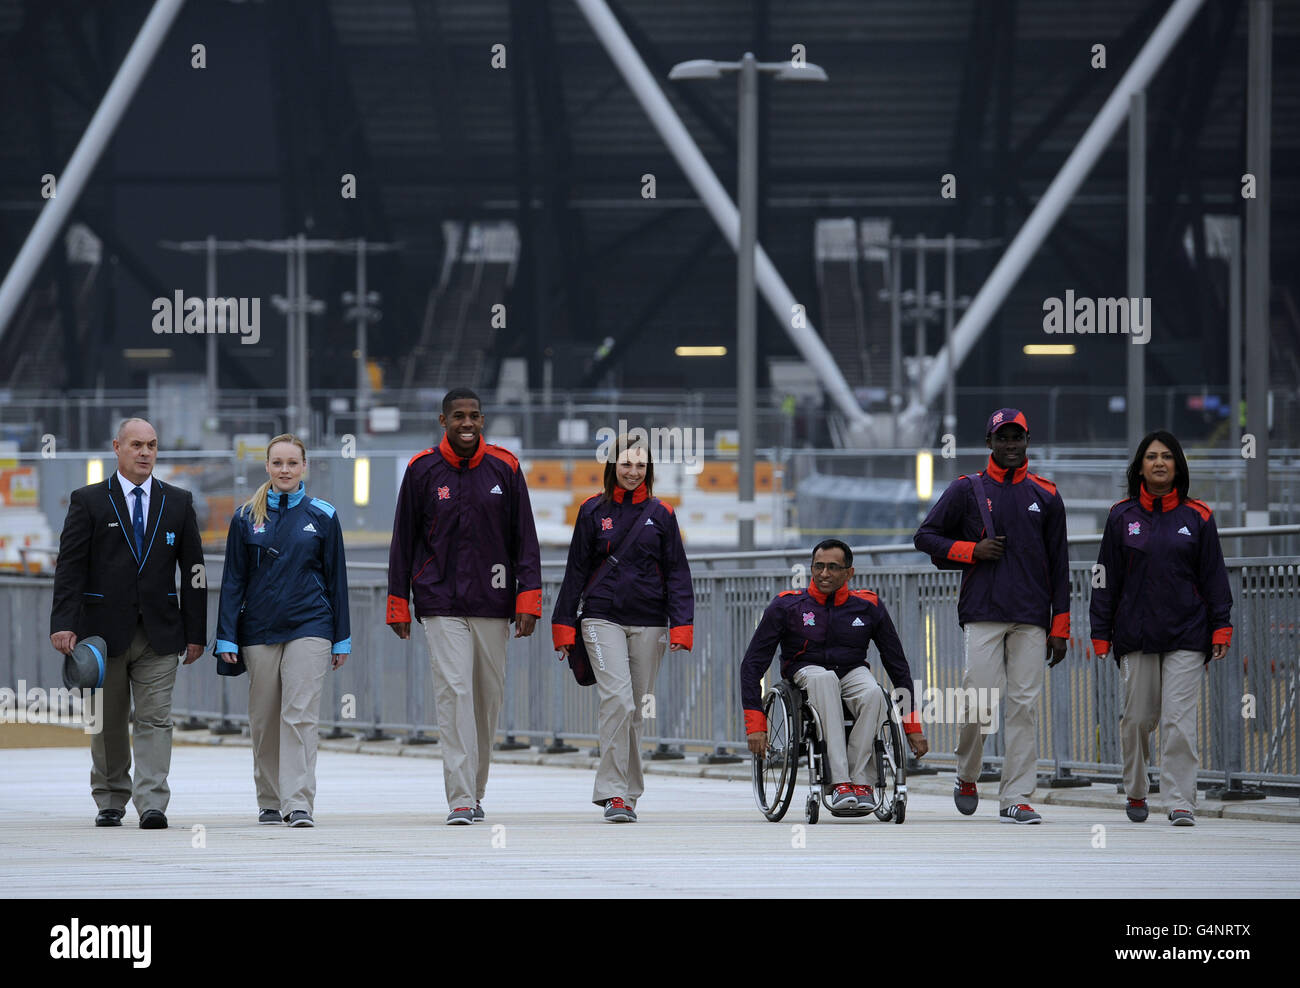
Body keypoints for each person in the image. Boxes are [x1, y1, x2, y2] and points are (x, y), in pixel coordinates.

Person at [387, 388, 542, 825]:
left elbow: (525, 540)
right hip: (439, 601)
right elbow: (403, 541)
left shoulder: (506, 467)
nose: (468, 424)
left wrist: (528, 598)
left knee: (486, 701)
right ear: (443, 421)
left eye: (474, 416)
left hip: (494, 603)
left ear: (483, 419)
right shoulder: (421, 470)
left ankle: (475, 790)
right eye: (459, 416)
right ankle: (459, 798)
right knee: (454, 693)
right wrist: (399, 603)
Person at [913, 408, 1069, 824]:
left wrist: (1061, 625)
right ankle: (967, 774)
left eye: (1017, 438)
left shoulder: (1047, 494)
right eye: (1003, 438)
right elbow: (924, 536)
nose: (1011, 445)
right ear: (989, 444)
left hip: (1033, 617)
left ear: (1027, 442)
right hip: (982, 611)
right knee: (977, 701)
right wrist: (971, 551)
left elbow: (1060, 565)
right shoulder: (966, 488)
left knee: (1024, 707)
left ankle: (1016, 796)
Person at [49, 418, 206, 829]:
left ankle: (152, 801)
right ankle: (111, 797)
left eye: (152, 445)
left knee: (156, 718)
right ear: (117, 447)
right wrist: (64, 623)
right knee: (108, 720)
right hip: (102, 635)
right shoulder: (89, 501)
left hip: (161, 632)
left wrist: (196, 633)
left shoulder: (178, 502)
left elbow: (193, 571)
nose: (145, 453)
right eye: (136, 445)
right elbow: (70, 568)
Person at [1089, 430, 1232, 827]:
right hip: (1135, 636)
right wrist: (1100, 631)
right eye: (1151, 456)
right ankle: (1136, 789)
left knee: (1178, 721)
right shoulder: (1121, 516)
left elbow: (1215, 577)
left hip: (1188, 634)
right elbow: (1104, 578)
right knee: (1136, 719)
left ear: (1178, 466)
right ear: (1140, 466)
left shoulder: (1198, 517)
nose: (1159, 463)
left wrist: (1221, 627)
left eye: (1167, 457)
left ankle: (1180, 801)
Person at [551, 436, 694, 823]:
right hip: (601, 618)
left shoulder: (662, 513)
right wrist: (563, 624)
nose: (633, 472)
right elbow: (576, 570)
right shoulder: (592, 510)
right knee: (618, 700)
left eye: (641, 465)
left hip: (650, 621)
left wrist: (683, 624)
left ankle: (628, 795)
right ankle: (613, 793)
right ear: (612, 465)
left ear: (650, 470)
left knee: (635, 711)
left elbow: (678, 572)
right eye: (626, 464)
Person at [215, 435, 351, 828]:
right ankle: (270, 799)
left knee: (300, 715)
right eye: (278, 463)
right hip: (258, 629)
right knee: (264, 718)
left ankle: (299, 803)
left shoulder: (323, 515)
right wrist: (226, 635)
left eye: (293, 463)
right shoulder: (244, 517)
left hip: (311, 626)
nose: (285, 470)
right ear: (268, 467)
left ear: (304, 467)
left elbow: (336, 580)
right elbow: (233, 581)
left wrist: (340, 637)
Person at [740, 539, 928, 810]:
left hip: (852, 671)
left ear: (849, 573)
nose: (824, 574)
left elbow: (898, 666)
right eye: (818, 567)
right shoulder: (787, 606)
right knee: (825, 679)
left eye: (832, 567)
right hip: (806, 672)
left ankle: (861, 783)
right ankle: (839, 782)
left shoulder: (868, 606)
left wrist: (912, 727)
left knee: (875, 692)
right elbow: (752, 664)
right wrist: (756, 725)